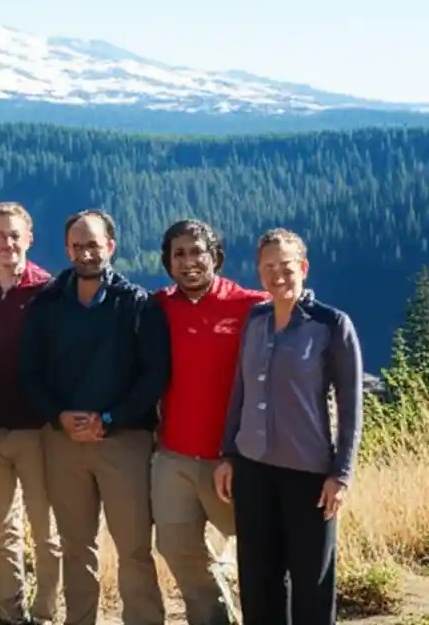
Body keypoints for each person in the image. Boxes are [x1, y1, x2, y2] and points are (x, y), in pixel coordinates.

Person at [20, 209, 169, 625]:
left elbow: (154, 375)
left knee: (134, 547)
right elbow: (29, 372)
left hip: (124, 441)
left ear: (111, 247)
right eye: (78, 245)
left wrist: (111, 417)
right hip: (63, 442)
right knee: (75, 545)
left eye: (94, 244)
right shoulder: (46, 304)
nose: (86, 252)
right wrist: (57, 416)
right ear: (67, 249)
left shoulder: (137, 304)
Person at [215, 228, 363, 625]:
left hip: (309, 474)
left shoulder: (331, 325)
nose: (277, 275)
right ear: (258, 272)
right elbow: (240, 391)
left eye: (286, 266)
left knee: (311, 581)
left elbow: (351, 407)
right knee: (259, 578)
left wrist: (341, 475)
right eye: (268, 267)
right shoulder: (256, 320)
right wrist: (228, 454)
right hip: (252, 467)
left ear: (304, 267)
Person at [152, 220, 268, 625]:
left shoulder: (252, 306)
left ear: (214, 255)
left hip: (235, 458)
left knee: (262, 550)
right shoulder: (159, 307)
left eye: (196, 251)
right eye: (178, 254)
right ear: (168, 262)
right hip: (174, 455)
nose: (188, 261)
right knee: (176, 547)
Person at [0, 202, 61, 625]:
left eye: (15, 234)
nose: (8, 243)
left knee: (46, 534)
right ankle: (9, 612)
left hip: (38, 430)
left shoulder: (48, 290)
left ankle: (44, 612)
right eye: (0, 235)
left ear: (29, 239)